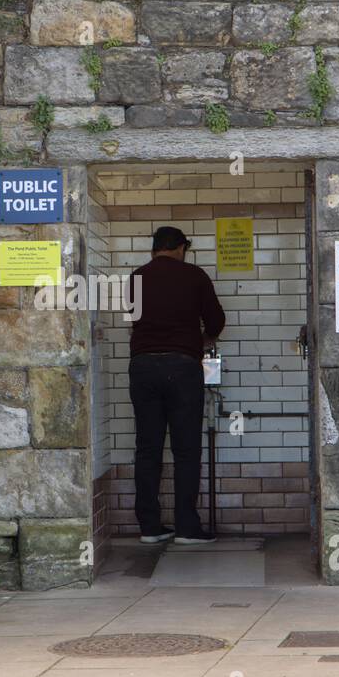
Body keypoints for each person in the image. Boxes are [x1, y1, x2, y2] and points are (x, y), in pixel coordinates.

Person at [127, 226, 226, 546]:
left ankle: (150, 527)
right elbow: (216, 321)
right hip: (182, 367)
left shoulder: (136, 278)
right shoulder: (195, 276)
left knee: (147, 448)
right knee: (185, 450)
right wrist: (202, 338)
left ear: (155, 248)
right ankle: (186, 526)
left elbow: (134, 317)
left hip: (142, 367)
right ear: (181, 248)